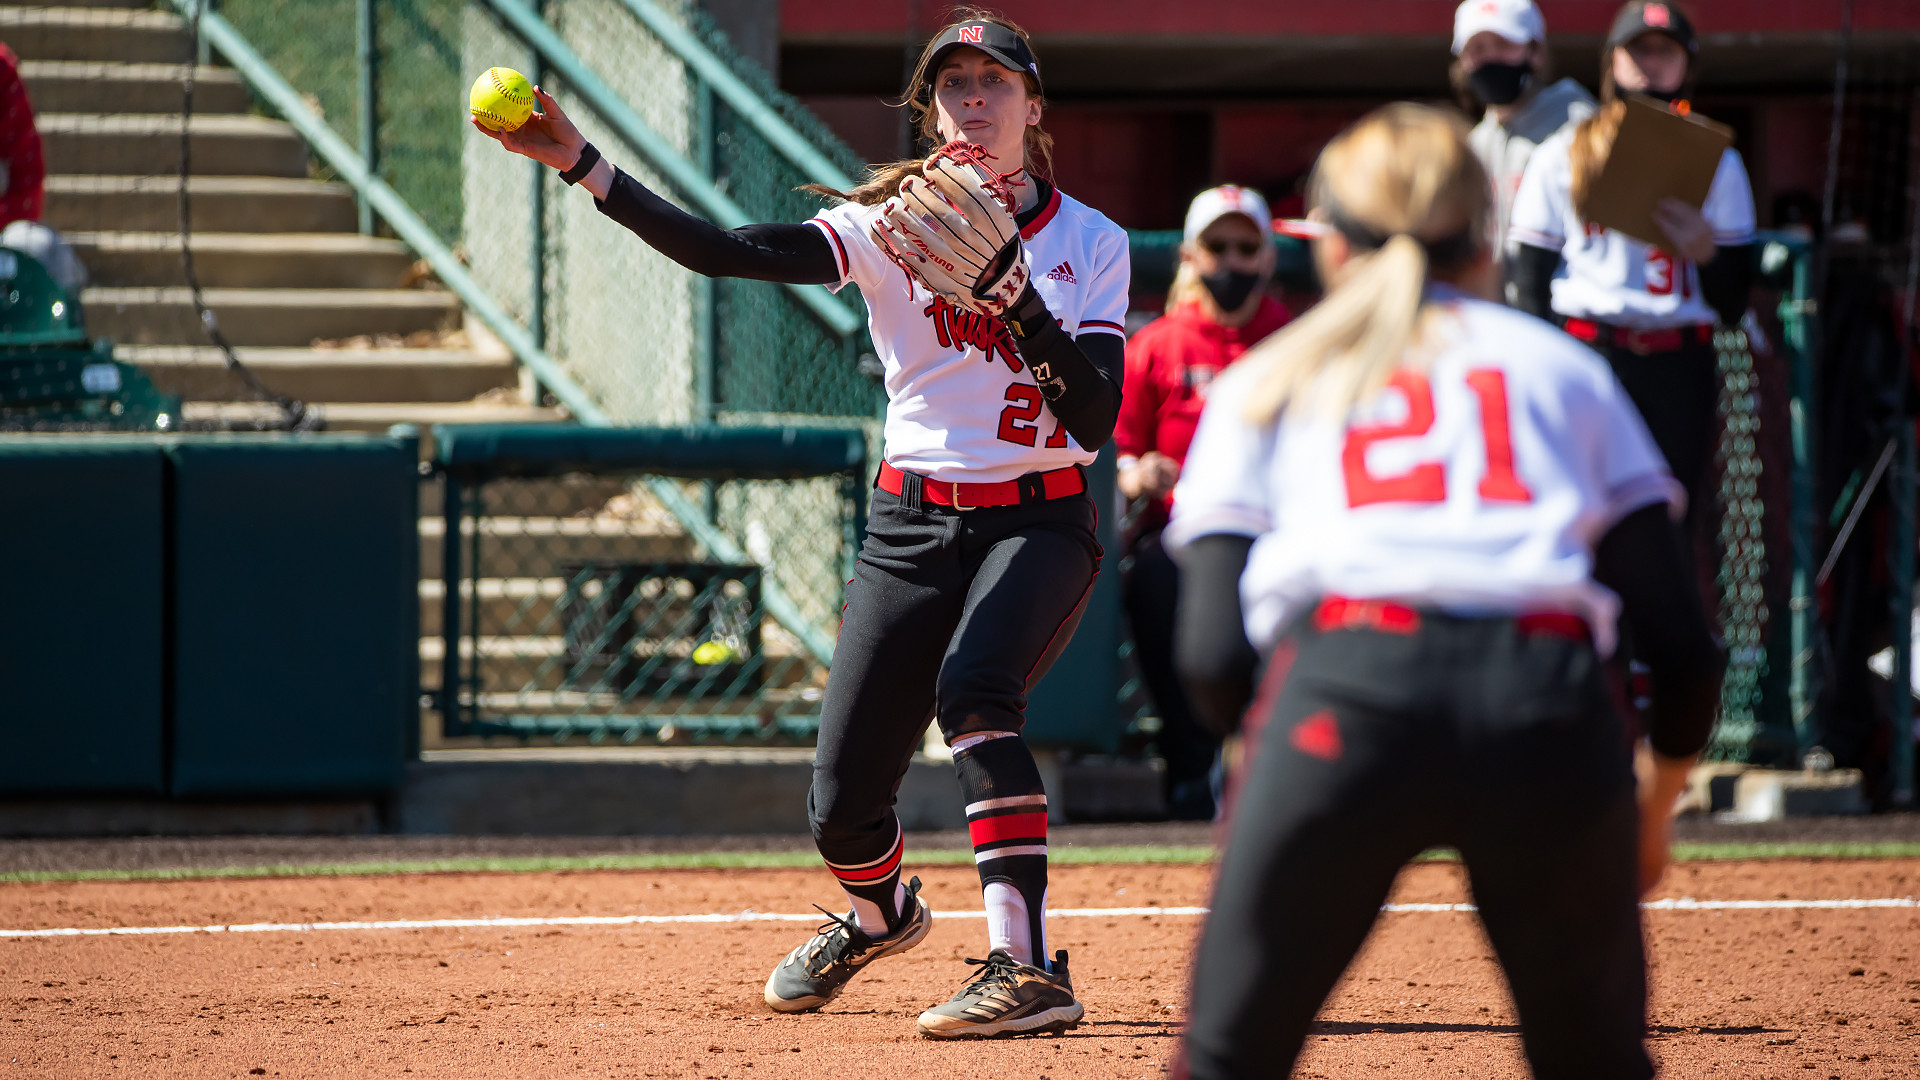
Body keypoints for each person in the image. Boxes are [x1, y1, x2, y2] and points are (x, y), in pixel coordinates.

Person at [478, 9, 1127, 1039]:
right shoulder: (887, 229)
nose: (973, 100)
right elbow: (723, 251)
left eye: (994, 83)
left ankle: (1026, 965)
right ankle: (880, 918)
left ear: (1033, 107)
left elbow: (1095, 418)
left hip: (1038, 520)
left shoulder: (1092, 241)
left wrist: (1018, 303)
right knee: (839, 803)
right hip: (911, 523)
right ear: (929, 112)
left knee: (975, 693)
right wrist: (581, 163)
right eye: (952, 85)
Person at [1164, 103, 1723, 1079]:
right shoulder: (1564, 371)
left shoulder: (1267, 379)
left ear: (1329, 246)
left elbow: (1210, 656)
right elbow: (1682, 646)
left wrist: (1276, 763)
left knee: (1225, 1061)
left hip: (1345, 687)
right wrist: (1655, 804)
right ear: (1486, 237)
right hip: (1544, 701)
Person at [1509, 1, 1755, 539]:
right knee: (1577, 511)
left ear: (1686, 64)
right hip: (1590, 350)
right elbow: (1529, 280)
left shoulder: (1719, 161)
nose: (1650, 63)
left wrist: (1705, 251)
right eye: (1637, 50)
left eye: (1664, 51)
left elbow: (1734, 300)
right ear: (1611, 61)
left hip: (1676, 355)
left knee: (1667, 521)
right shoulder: (1563, 152)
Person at [1116, 184, 1288, 820]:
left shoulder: (1293, 339)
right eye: (1218, 246)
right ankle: (1189, 767)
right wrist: (1138, 475)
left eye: (1247, 248)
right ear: (1191, 254)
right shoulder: (1157, 344)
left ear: (1268, 258)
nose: (1232, 262)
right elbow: (1121, 450)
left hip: (1277, 532)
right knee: (1155, 581)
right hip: (1183, 533)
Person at [1450, 0, 1594, 300]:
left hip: (1564, 309)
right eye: (1476, 49)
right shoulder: (1474, 144)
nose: (1490, 58)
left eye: (1503, 44)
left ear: (1535, 52)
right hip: (1498, 315)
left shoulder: (1578, 123)